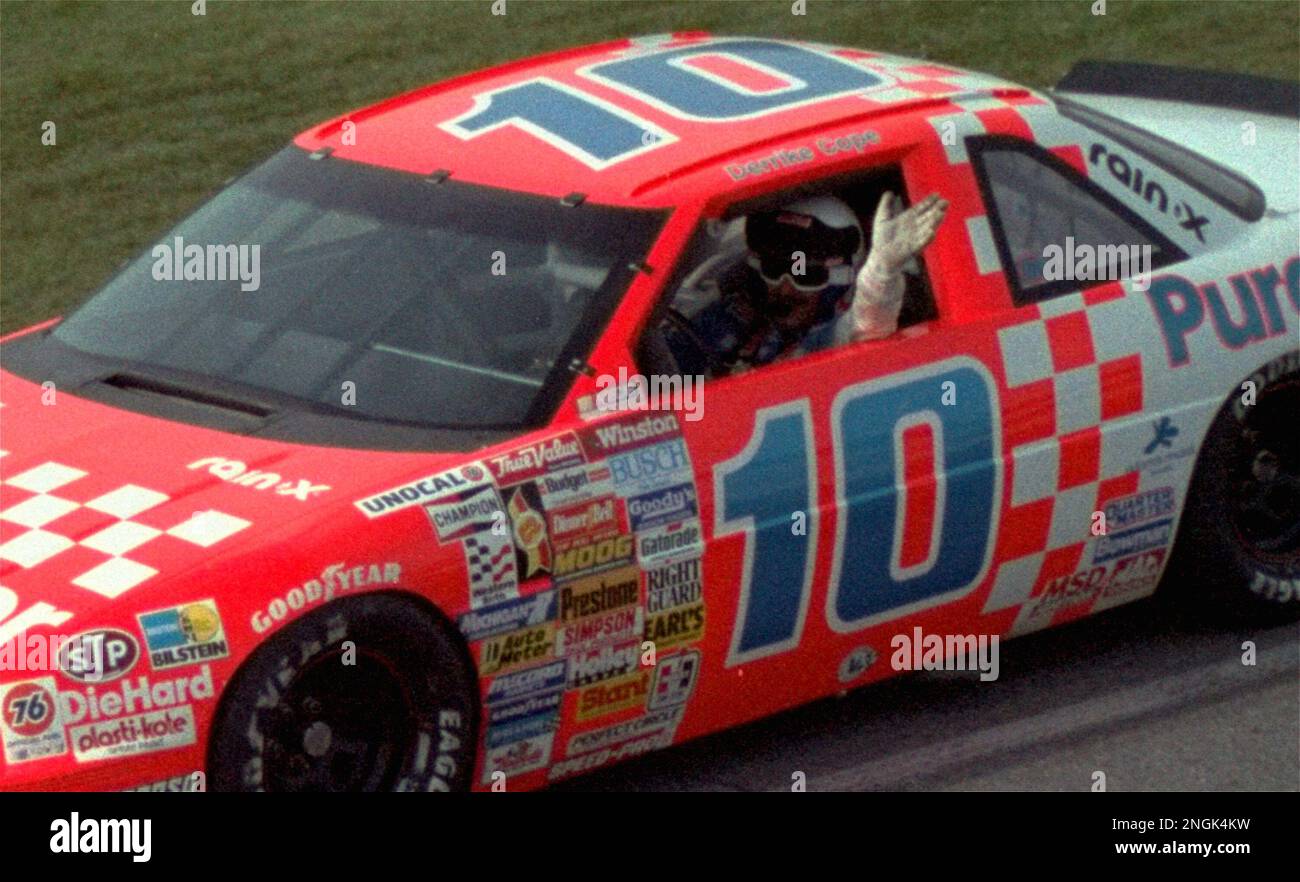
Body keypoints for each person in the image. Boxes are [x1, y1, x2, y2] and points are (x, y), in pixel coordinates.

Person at [665, 191, 948, 376]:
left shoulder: (832, 339)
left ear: (838, 284)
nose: (785, 288)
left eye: (804, 276)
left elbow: (865, 324)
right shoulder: (734, 315)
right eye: (775, 270)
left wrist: (882, 271)